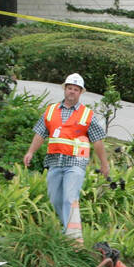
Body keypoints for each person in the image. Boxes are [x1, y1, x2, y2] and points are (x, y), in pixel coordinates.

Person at [23, 73, 111, 236]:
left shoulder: (87, 114)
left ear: (80, 92)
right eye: (69, 88)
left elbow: (98, 141)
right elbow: (40, 134)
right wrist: (30, 152)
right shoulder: (50, 111)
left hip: (76, 163)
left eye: (75, 89)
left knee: (69, 199)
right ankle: (68, 230)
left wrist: (104, 164)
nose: (71, 92)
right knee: (55, 199)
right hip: (55, 162)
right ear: (65, 90)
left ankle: (73, 238)